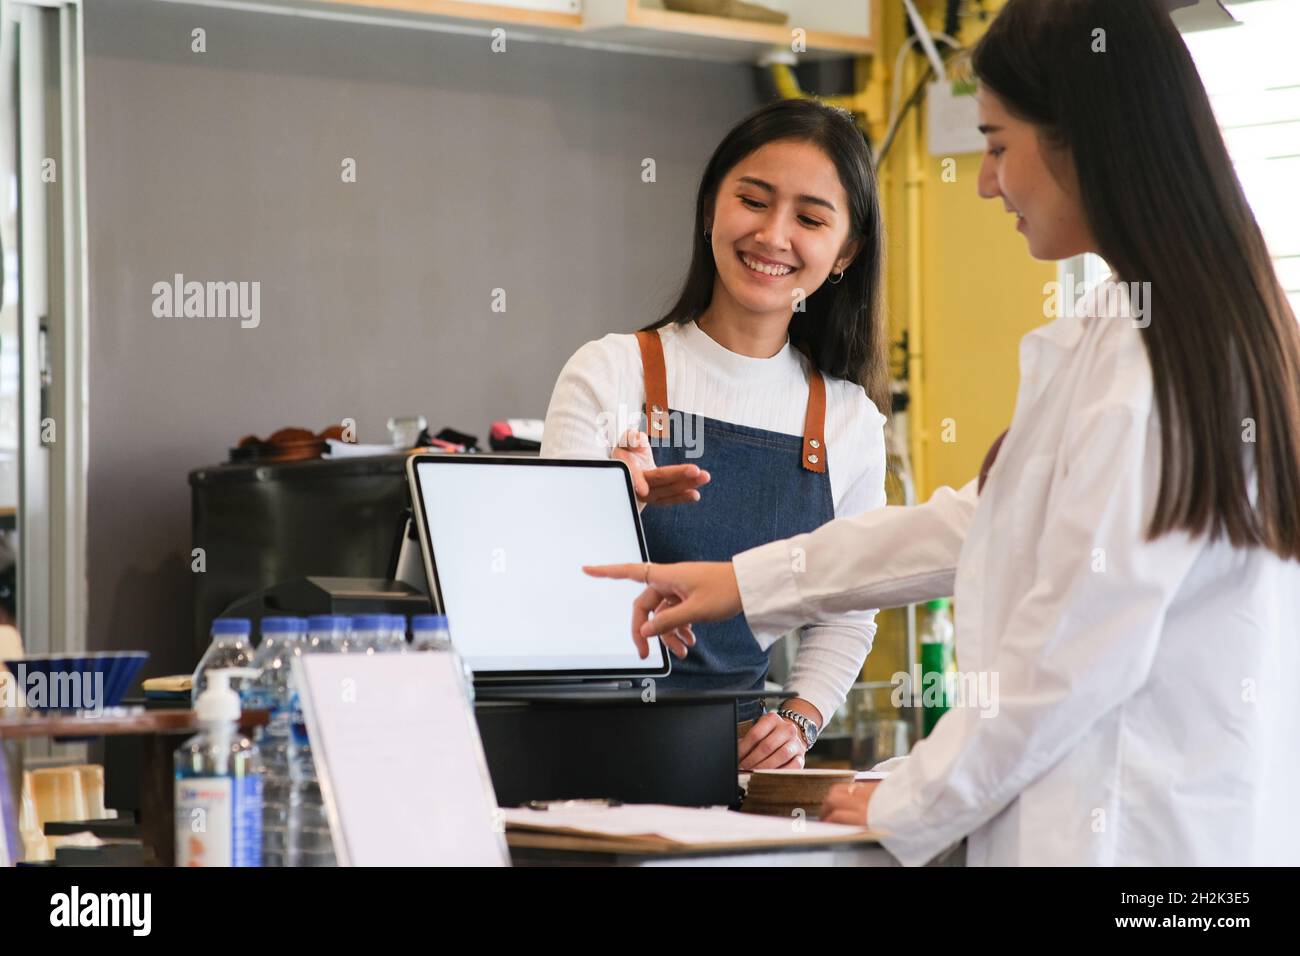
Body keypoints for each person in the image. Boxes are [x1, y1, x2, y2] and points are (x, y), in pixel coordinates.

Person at [584, 0, 1300, 865]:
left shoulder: (1154, 355)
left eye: (997, 144)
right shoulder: (1151, 325)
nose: (987, 179)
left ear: (1080, 138)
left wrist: (912, 797)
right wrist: (743, 579)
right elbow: (978, 524)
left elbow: (1073, 651)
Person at [542, 99, 890, 769]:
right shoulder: (611, 372)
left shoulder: (849, 421)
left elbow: (850, 604)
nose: (773, 235)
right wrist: (618, 510)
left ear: (845, 252)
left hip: (733, 769)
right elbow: (546, 583)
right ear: (711, 209)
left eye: (811, 218)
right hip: (580, 751)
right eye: (753, 201)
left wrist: (798, 720)